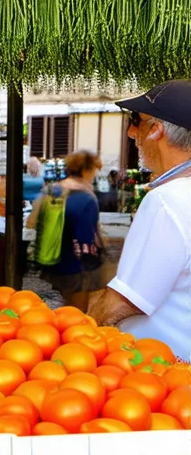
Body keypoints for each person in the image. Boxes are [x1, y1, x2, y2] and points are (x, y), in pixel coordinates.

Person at [87, 80, 191, 361]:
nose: (132, 132)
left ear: (157, 129)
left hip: (159, 372)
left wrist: (78, 333)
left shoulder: (168, 200)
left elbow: (126, 302)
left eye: (136, 121)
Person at [27, 151, 104, 311]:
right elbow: (88, 236)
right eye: (94, 171)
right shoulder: (87, 197)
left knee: (68, 303)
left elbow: (31, 222)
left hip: (52, 258)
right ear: (85, 171)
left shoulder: (51, 190)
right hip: (76, 264)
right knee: (78, 310)